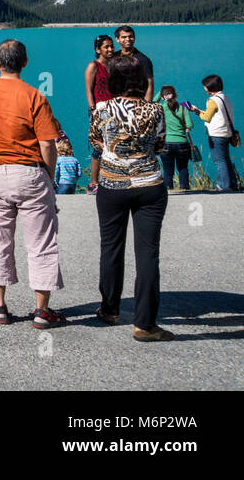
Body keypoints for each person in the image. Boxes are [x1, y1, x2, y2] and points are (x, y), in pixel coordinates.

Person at [0, 39, 65, 330]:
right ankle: (42, 311)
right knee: (42, 243)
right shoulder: (35, 96)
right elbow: (47, 142)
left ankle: (0, 306)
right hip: (30, 173)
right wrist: (47, 173)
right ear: (25, 62)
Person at [89, 53, 172, 342]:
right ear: (140, 81)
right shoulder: (155, 110)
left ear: (112, 80)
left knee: (111, 246)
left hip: (112, 185)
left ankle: (110, 309)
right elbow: (160, 145)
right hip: (149, 183)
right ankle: (145, 324)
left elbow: (94, 140)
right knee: (148, 252)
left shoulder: (101, 109)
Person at [187, 74, 240, 192]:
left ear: (210, 87)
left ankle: (223, 186)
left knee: (219, 161)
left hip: (217, 134)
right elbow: (216, 114)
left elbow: (207, 117)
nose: (204, 88)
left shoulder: (212, 100)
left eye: (205, 86)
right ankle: (232, 184)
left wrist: (196, 111)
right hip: (226, 132)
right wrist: (199, 111)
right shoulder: (225, 98)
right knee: (226, 159)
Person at [84, 33, 114, 194]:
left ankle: (110, 179)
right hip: (99, 111)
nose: (110, 49)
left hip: (114, 110)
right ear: (98, 49)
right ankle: (93, 183)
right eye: (106, 47)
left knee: (113, 145)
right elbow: (89, 89)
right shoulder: (93, 66)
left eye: (111, 46)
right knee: (98, 147)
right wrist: (92, 109)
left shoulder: (113, 65)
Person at [158, 85, 194, 191]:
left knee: (167, 169)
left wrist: (161, 94)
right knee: (183, 167)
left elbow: (152, 102)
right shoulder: (183, 108)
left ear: (163, 97)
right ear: (175, 96)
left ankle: (168, 188)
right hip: (182, 142)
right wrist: (184, 128)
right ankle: (184, 187)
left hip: (166, 142)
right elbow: (190, 125)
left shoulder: (161, 108)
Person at [114, 26, 154, 101]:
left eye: (130, 36)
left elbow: (149, 84)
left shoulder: (143, 60)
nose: (128, 39)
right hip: (117, 103)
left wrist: (147, 105)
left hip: (136, 102)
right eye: (124, 37)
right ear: (117, 39)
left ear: (134, 38)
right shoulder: (113, 57)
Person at [54, 129, 81, 195]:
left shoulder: (59, 160)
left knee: (61, 201)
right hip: (73, 184)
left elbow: (56, 172)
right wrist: (75, 179)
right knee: (70, 199)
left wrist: (55, 182)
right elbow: (79, 173)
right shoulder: (75, 159)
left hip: (62, 183)